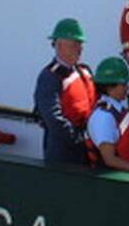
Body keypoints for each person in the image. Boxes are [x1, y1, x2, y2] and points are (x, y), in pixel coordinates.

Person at [33, 18, 96, 166]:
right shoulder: (50, 77)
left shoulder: (84, 71)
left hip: (86, 149)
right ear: (59, 45)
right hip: (62, 151)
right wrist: (78, 138)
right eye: (75, 44)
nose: (79, 48)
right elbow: (53, 118)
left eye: (80, 44)